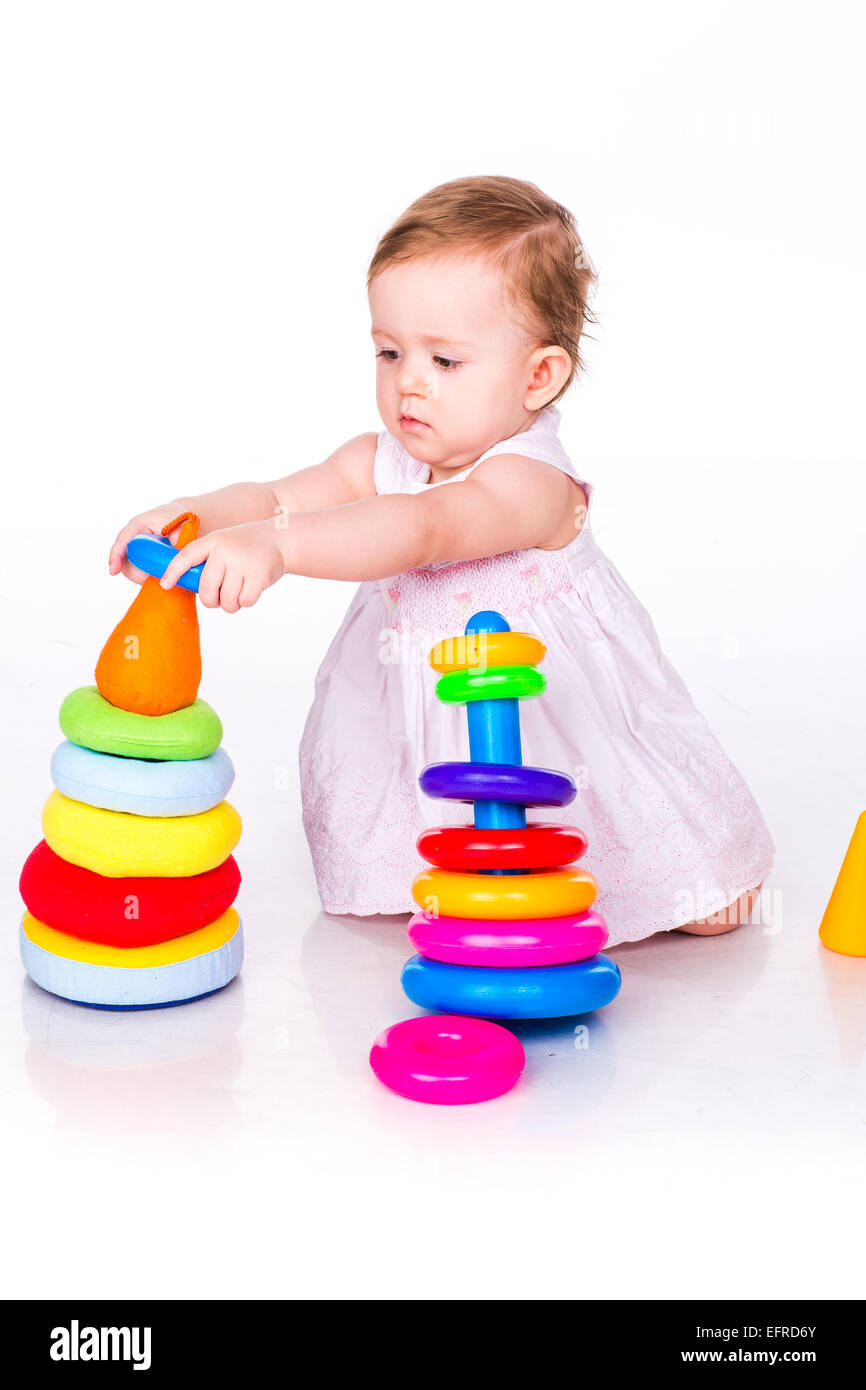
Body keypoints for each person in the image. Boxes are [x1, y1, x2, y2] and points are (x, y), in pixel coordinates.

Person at [109, 175, 774, 943]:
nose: (408, 385)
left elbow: (425, 527)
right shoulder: (381, 458)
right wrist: (196, 518)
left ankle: (676, 868)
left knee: (706, 909)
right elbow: (274, 494)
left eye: (445, 362)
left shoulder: (530, 482)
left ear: (539, 376)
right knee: (419, 864)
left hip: (544, 710)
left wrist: (283, 548)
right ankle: (439, 865)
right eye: (389, 352)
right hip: (422, 700)